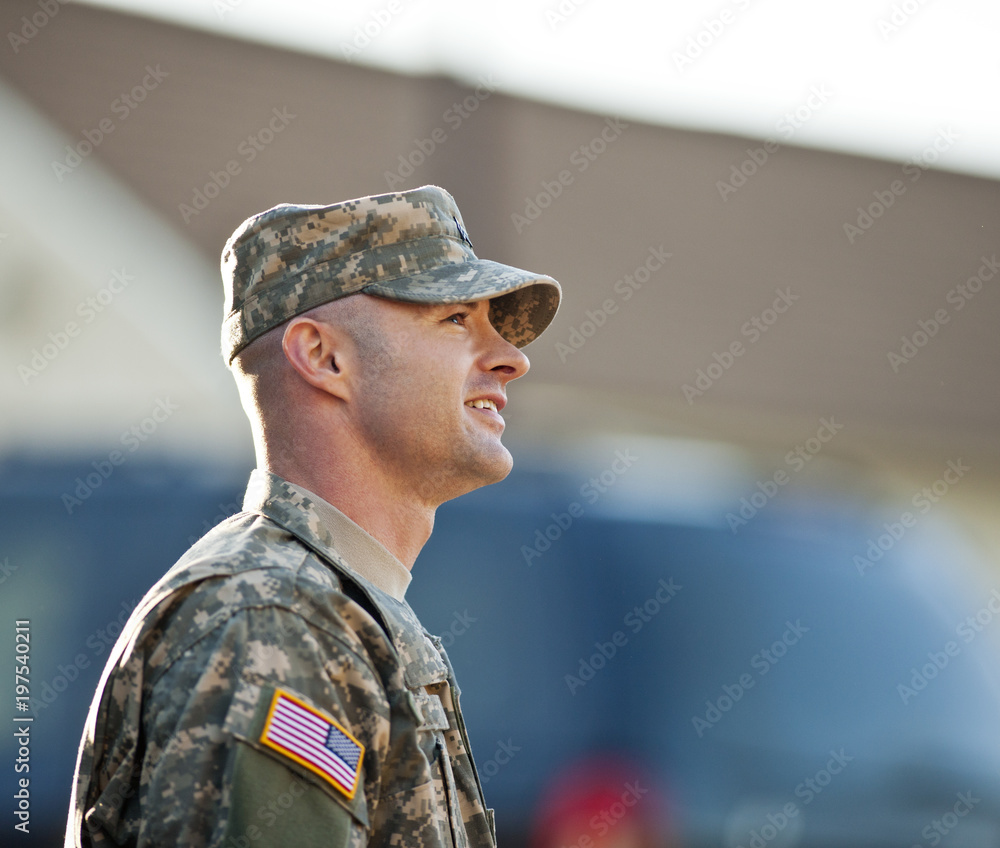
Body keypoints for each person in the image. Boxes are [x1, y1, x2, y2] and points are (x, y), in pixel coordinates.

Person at [66, 185, 561, 847]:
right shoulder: (273, 616)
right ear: (325, 357)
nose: (511, 358)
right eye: (454, 320)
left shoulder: (333, 610)